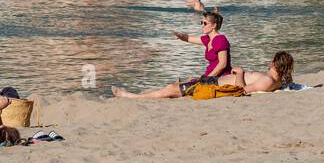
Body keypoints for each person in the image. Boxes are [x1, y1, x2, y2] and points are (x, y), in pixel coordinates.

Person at [113, 51, 293, 99]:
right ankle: (142, 95)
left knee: (173, 89)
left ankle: (131, 96)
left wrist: (240, 72)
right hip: (214, 81)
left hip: (215, 86)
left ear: (274, 63)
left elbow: (242, 89)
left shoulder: (268, 80)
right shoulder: (276, 81)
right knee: (177, 86)